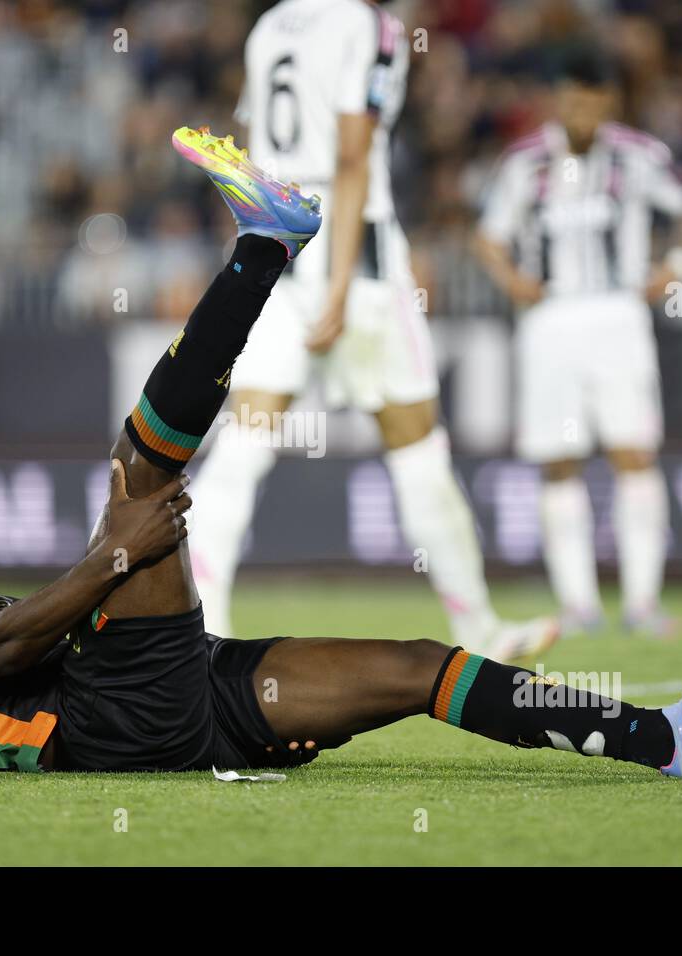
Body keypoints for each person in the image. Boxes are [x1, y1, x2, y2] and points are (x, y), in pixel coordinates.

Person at [0, 127, 682, 779]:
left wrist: (120, 565)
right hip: (104, 723)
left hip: (183, 697)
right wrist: (120, 556)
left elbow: (29, 627)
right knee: (141, 471)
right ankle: (265, 245)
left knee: (419, 667)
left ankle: (671, 741)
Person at [186, 0, 557, 661]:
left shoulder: (271, 24)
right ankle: (481, 631)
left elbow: (259, 150)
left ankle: (201, 632)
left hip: (272, 245)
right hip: (350, 257)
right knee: (418, 449)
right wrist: (338, 281)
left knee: (242, 445)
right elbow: (353, 154)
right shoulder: (370, 25)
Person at [475, 47, 682, 637]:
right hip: (549, 318)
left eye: (593, 99)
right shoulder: (524, 162)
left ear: (609, 103)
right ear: (558, 100)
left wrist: (676, 263)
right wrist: (512, 281)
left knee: (633, 452)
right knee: (560, 462)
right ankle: (579, 605)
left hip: (616, 315)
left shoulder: (638, 155)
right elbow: (488, 236)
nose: (581, 109)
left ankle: (642, 603)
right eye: (572, 97)